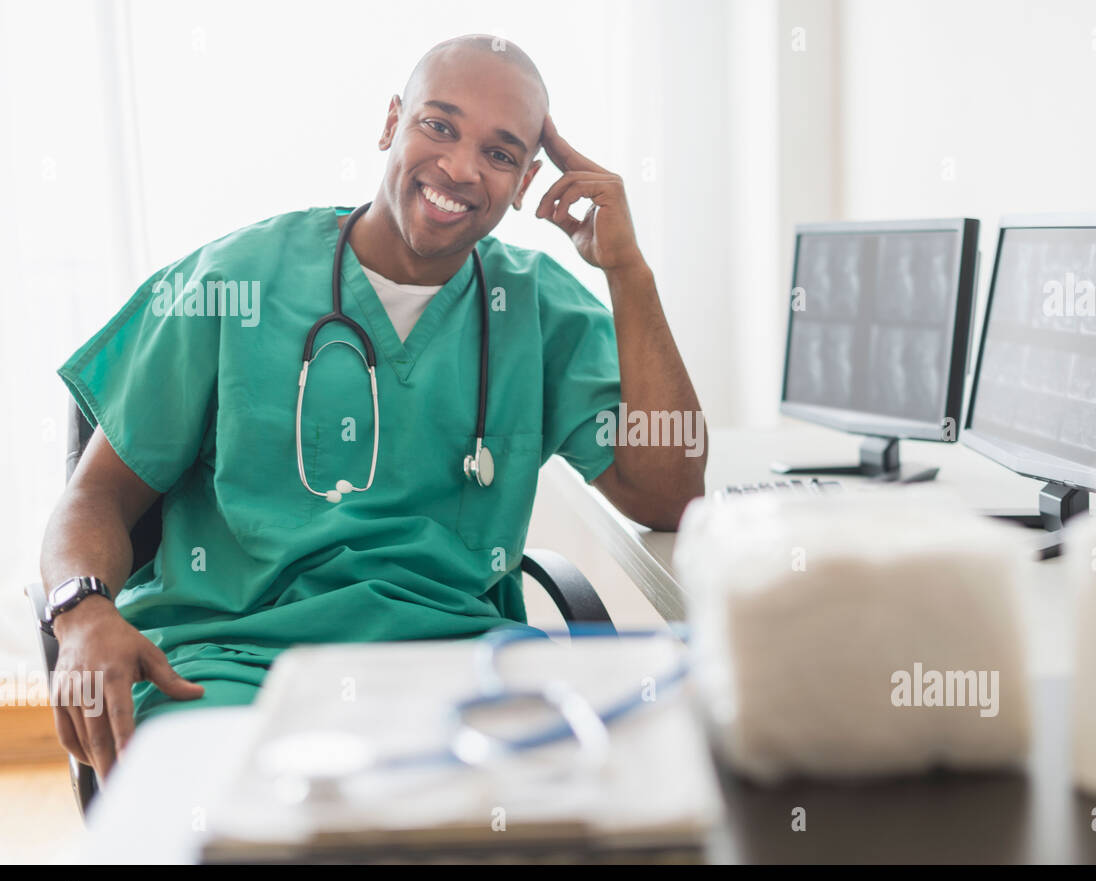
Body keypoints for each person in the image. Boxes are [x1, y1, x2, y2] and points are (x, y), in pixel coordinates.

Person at [38, 35, 706, 782]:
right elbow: (95, 496)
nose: (459, 167)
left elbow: (670, 493)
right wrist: (83, 610)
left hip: (457, 666)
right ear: (392, 122)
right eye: (440, 126)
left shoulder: (539, 307)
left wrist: (628, 271)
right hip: (234, 662)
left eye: (500, 152)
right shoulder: (233, 282)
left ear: (524, 182)